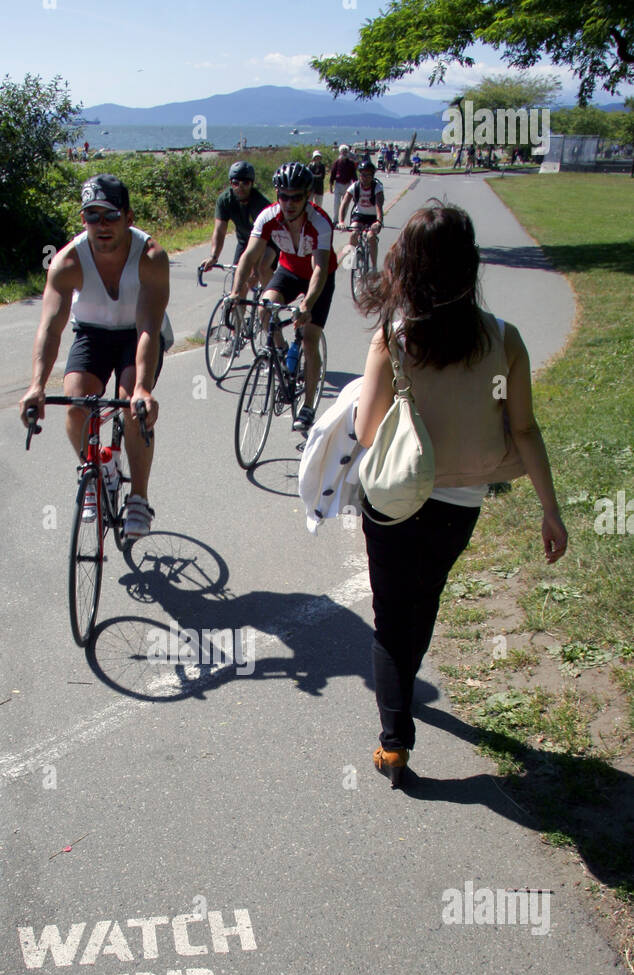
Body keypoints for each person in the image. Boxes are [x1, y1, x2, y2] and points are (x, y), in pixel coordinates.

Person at [353, 200, 567, 785]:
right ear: (469, 267)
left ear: (408, 267)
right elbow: (523, 428)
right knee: (422, 604)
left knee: (391, 617)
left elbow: (367, 432)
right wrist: (550, 511)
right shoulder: (505, 339)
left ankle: (395, 744)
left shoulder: (392, 338)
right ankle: (400, 702)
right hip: (460, 506)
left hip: (395, 502)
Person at [19, 174, 171, 542]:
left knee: (130, 409)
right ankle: (96, 471)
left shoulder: (151, 257)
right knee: (74, 404)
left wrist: (142, 390)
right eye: (92, 217)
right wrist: (36, 386)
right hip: (91, 332)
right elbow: (51, 328)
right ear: (83, 220)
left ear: (128, 217)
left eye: (110, 216)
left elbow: (149, 326)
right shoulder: (68, 261)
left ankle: (138, 498)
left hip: (138, 334)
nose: (101, 226)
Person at [230, 160, 337, 432]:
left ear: (308, 197)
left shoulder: (320, 223)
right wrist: (235, 293)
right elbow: (249, 256)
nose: (289, 203)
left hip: (318, 278)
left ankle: (309, 407)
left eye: (296, 197)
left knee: (310, 341)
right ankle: (281, 356)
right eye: (284, 196)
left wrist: (306, 304)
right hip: (288, 270)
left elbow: (320, 269)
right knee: (266, 309)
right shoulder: (268, 216)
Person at [201, 160, 277, 291]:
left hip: (268, 242)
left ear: (252, 184)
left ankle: (268, 305)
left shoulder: (261, 204)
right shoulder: (225, 200)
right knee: (239, 282)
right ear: (231, 183)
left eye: (245, 183)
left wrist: (255, 267)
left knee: (261, 270)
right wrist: (213, 257)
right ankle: (237, 310)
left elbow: (264, 239)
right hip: (245, 242)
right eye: (235, 183)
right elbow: (219, 231)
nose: (240, 188)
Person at [338, 158, 384, 273]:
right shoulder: (355, 186)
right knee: (354, 233)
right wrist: (341, 221)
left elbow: (379, 206)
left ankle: (374, 267)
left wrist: (378, 221)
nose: (365, 178)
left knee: (371, 237)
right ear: (359, 175)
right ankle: (353, 256)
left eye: (368, 175)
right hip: (359, 215)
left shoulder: (377, 187)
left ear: (373, 176)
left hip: (373, 217)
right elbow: (344, 203)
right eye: (363, 175)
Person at [329, 144, 357, 219]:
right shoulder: (337, 162)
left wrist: (356, 188)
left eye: (345, 151)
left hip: (347, 185)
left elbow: (354, 176)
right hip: (338, 185)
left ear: (347, 152)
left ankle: (342, 220)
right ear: (340, 152)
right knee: (336, 204)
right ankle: (335, 220)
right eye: (342, 151)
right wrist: (331, 185)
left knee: (345, 204)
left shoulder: (351, 163)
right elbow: (332, 174)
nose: (344, 153)